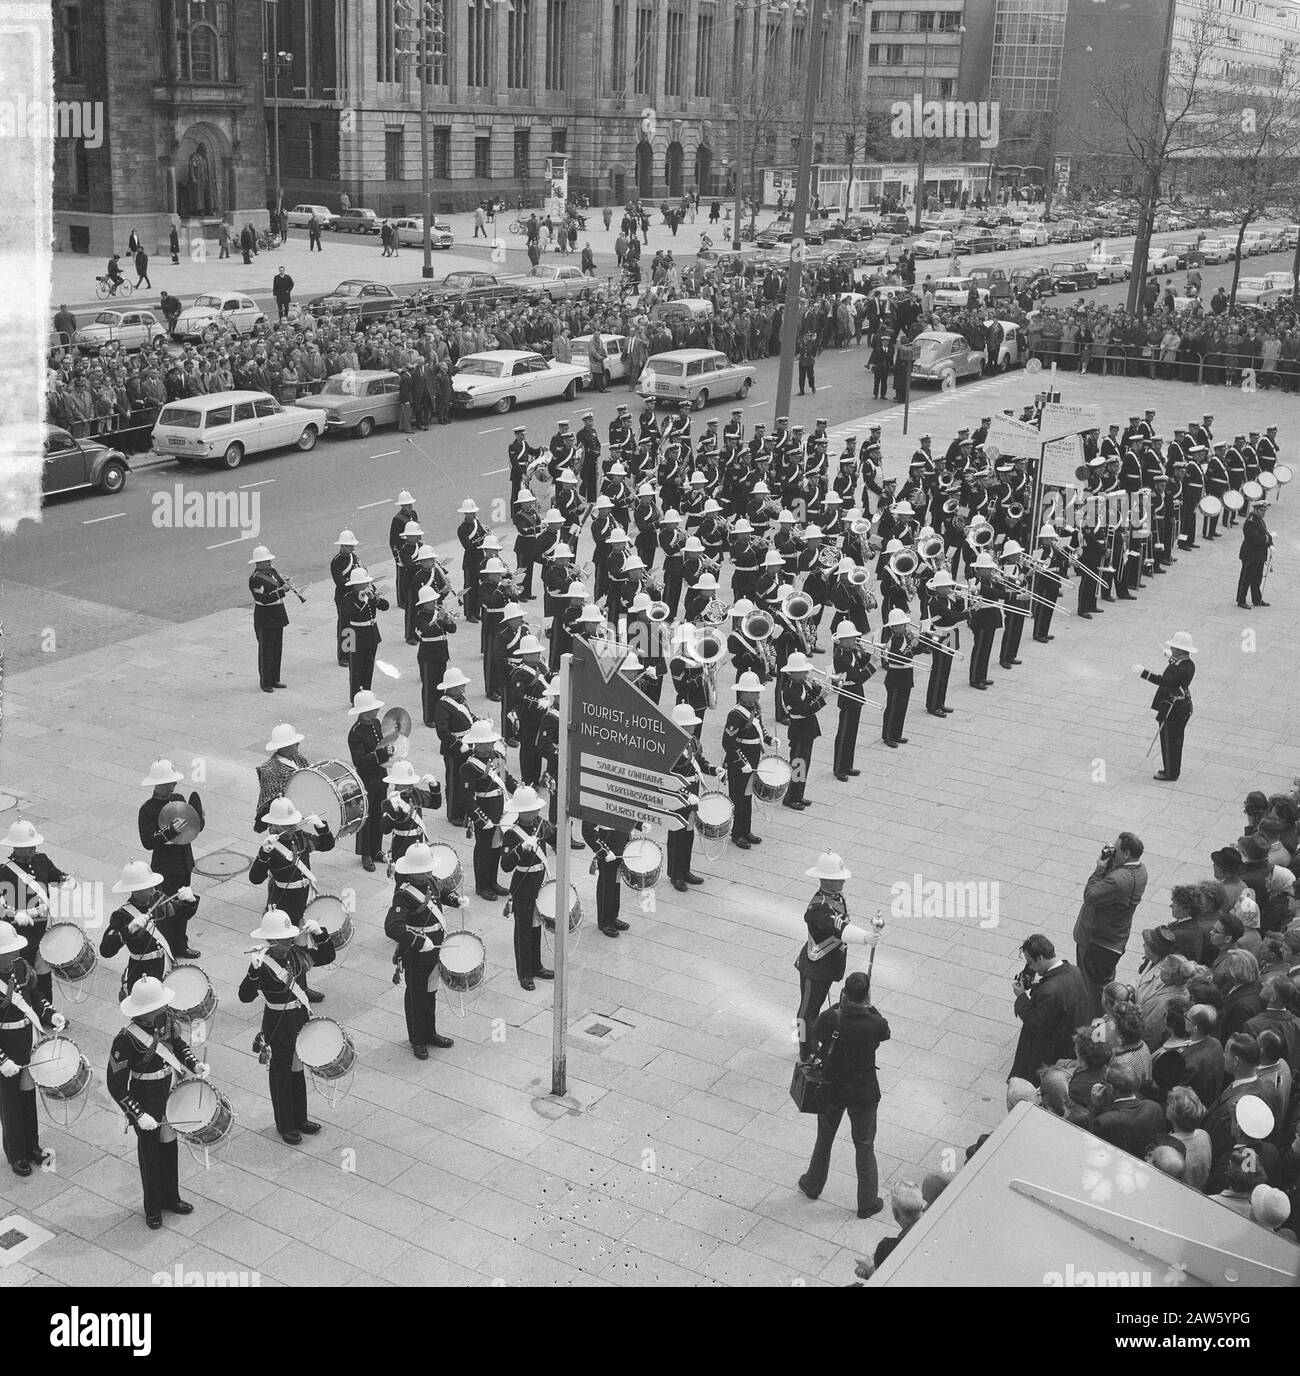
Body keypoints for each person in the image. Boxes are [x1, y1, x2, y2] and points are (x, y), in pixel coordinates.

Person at [106, 976, 205, 1227]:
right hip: (145, 1097)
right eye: (157, 1006)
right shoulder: (125, 1039)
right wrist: (138, 1114)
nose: (162, 1008)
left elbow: (179, 1046)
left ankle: (172, 1197)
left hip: (167, 1091)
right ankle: (152, 1208)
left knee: (169, 1149)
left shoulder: (165, 1019)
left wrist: (194, 1064)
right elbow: (116, 1085)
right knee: (149, 1156)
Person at [797, 971, 890, 1219]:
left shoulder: (830, 1018)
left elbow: (815, 1034)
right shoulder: (876, 1023)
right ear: (867, 996)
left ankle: (813, 1184)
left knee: (824, 1138)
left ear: (845, 994)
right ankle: (867, 1202)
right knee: (864, 1145)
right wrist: (872, 1009)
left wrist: (839, 1006)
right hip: (864, 1093)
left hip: (833, 1090)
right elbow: (885, 1034)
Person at [238, 907, 333, 1144]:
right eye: (281, 939)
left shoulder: (295, 953)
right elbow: (245, 996)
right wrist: (254, 970)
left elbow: (326, 957)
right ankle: (285, 1124)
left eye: (288, 937)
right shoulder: (264, 962)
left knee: (297, 1071)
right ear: (270, 939)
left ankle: (300, 1118)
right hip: (277, 1024)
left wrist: (320, 934)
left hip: (299, 1019)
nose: (287, 941)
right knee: (281, 1075)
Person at [794, 851, 882, 1061]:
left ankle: (811, 1041)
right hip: (815, 966)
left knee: (813, 1009)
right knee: (806, 1013)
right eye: (836, 879)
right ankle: (804, 1048)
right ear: (824, 879)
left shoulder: (834, 896)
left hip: (828, 963)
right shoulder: (818, 908)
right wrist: (865, 938)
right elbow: (839, 927)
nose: (841, 881)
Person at [0, 921, 65, 1178]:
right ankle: (16, 1154)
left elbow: (34, 994)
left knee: (28, 1095)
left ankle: (32, 1146)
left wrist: (50, 1013)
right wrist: (2, 1059)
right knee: (10, 1103)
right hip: (5, 1045)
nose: (15, 955)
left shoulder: (19, 966)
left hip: (27, 1038)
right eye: (9, 952)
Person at [385, 843, 455, 1058]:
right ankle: (417, 1039)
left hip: (435, 947)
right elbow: (392, 927)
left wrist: (455, 900)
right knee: (416, 996)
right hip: (417, 952)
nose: (431, 871)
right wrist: (417, 941)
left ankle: (430, 1032)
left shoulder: (431, 881)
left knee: (430, 992)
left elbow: (441, 894)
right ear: (415, 872)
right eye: (427, 868)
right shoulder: (403, 895)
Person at [1072, 832, 1148, 1016]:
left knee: (1092, 988)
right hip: (1115, 940)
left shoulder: (1117, 880)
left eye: (1117, 850)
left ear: (1127, 853)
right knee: (1103, 983)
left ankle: (1094, 1022)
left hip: (1097, 942)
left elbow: (1090, 896)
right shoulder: (1141, 870)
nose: (1114, 852)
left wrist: (1099, 869)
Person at [137, 758, 204, 959]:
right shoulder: (147, 809)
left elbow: (191, 827)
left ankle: (181, 945)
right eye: (169, 782)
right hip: (165, 866)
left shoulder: (178, 797)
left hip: (183, 861)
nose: (174, 785)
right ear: (158, 784)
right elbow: (148, 841)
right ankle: (166, 947)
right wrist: (169, 830)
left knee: (184, 904)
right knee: (165, 909)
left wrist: (199, 819)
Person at [0, 819, 71, 1006]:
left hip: (43, 928)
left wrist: (65, 880)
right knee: (23, 975)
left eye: (33, 845)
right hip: (20, 933)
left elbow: (54, 874)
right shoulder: (4, 872)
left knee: (44, 974)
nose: (33, 849)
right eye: (28, 846)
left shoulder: (42, 860)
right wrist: (14, 916)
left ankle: (48, 1011)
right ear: (16, 847)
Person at [1009, 933, 1091, 1085]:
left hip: (1049, 1051)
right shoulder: (1074, 971)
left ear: (1040, 958)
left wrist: (1021, 996)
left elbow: (1036, 1023)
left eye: (1031, 962)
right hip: (1069, 1042)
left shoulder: (1049, 991)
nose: (1030, 967)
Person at [500, 787, 557, 987]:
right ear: (522, 812)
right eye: (532, 810)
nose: (536, 813)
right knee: (523, 929)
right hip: (523, 884)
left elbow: (555, 836)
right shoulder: (511, 835)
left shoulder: (539, 825)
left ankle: (536, 965)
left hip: (539, 880)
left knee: (535, 925)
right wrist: (520, 849)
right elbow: (506, 865)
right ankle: (524, 973)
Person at [1136, 630, 1196, 782]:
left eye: (1174, 648)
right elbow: (1177, 665)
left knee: (1169, 741)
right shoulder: (1188, 664)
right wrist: (1170, 657)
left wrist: (1144, 673)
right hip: (1182, 706)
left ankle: (1170, 772)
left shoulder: (1180, 669)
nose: (1172, 650)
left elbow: (1165, 681)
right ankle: (1172, 768)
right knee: (1175, 740)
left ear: (1180, 650)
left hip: (1173, 708)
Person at [347, 689, 392, 873]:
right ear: (363, 711)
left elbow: (380, 743)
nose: (376, 712)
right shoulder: (355, 733)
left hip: (380, 777)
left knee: (379, 814)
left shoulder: (375, 723)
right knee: (366, 817)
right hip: (367, 780)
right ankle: (365, 853)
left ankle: (376, 848)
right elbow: (360, 761)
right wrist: (379, 754)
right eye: (372, 709)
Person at [1236, 500, 1273, 609]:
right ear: (1256, 510)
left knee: (1257, 579)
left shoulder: (1260, 521)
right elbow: (1255, 538)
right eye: (1262, 510)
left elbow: (1266, 534)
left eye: (1264, 511)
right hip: (1250, 554)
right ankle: (1241, 600)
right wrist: (1266, 539)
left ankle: (1257, 599)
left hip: (1259, 555)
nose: (1263, 513)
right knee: (1246, 578)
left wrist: (1269, 541)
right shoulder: (1251, 522)